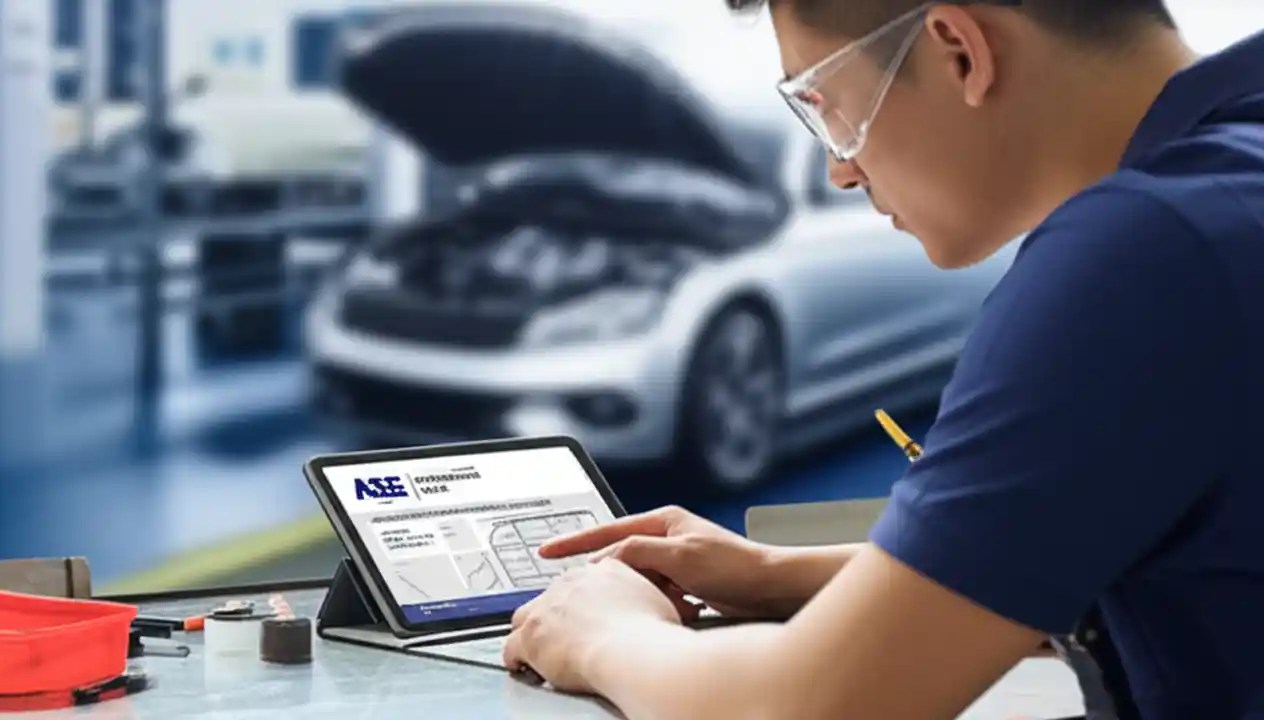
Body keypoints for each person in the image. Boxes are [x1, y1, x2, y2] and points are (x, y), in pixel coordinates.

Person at [501, 1, 1264, 718]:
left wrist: (601, 634)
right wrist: (775, 576)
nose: (841, 170)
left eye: (825, 104)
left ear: (959, 50)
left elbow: (806, 707)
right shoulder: (1230, 187)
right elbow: (1130, 556)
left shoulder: (1144, 255)